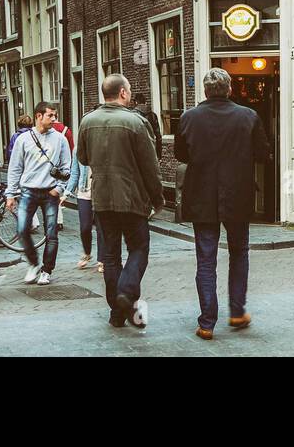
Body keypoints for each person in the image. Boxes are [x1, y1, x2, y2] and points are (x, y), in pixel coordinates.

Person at [175, 67, 271, 340]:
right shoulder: (248, 116)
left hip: (201, 197)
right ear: (230, 89)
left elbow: (181, 154)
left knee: (206, 260)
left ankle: (207, 323)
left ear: (205, 91)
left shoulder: (188, 118)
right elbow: (263, 153)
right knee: (239, 252)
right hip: (237, 196)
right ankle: (237, 312)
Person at [77, 74, 162, 329]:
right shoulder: (136, 122)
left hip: (102, 198)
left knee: (110, 256)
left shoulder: (87, 121)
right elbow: (150, 166)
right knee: (139, 248)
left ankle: (117, 313)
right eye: (129, 90)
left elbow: (82, 158)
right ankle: (125, 292)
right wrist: (157, 198)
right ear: (123, 93)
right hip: (132, 197)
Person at [6, 102, 71, 287]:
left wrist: (59, 188)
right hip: (28, 191)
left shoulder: (60, 139)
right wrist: (10, 194)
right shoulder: (23, 139)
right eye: (50, 115)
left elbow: (66, 167)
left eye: (55, 115)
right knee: (22, 230)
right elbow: (15, 167)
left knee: (51, 234)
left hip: (50, 192)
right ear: (38, 116)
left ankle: (46, 270)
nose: (54, 119)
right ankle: (33, 263)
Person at [133, 92, 164, 160]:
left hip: (137, 151)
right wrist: (158, 155)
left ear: (136, 102)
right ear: (145, 102)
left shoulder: (132, 115)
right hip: (151, 149)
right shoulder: (153, 115)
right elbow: (158, 136)